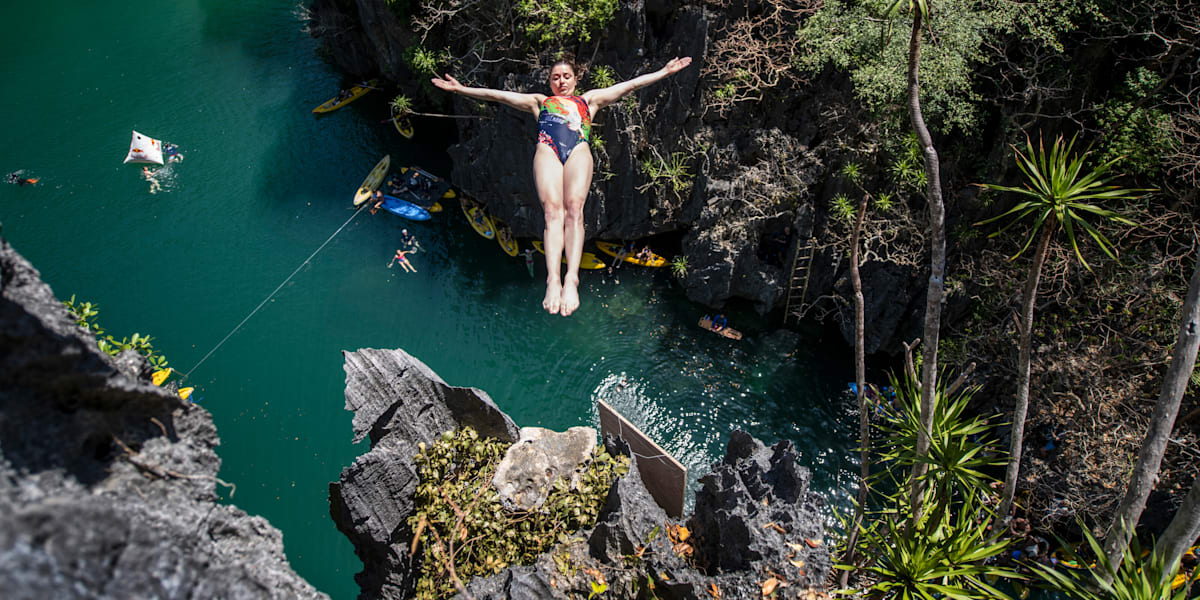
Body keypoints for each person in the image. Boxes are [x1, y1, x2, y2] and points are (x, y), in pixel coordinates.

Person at [432, 55, 693, 316]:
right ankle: (553, 279)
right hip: (548, 150)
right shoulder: (540, 101)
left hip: (578, 149)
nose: (561, 81)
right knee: (551, 213)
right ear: (550, 82)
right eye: (556, 77)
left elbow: (629, 86)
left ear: (576, 79)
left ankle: (572, 279)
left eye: (566, 76)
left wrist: (664, 72)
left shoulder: (589, 100)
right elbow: (497, 95)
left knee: (574, 210)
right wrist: (461, 89)